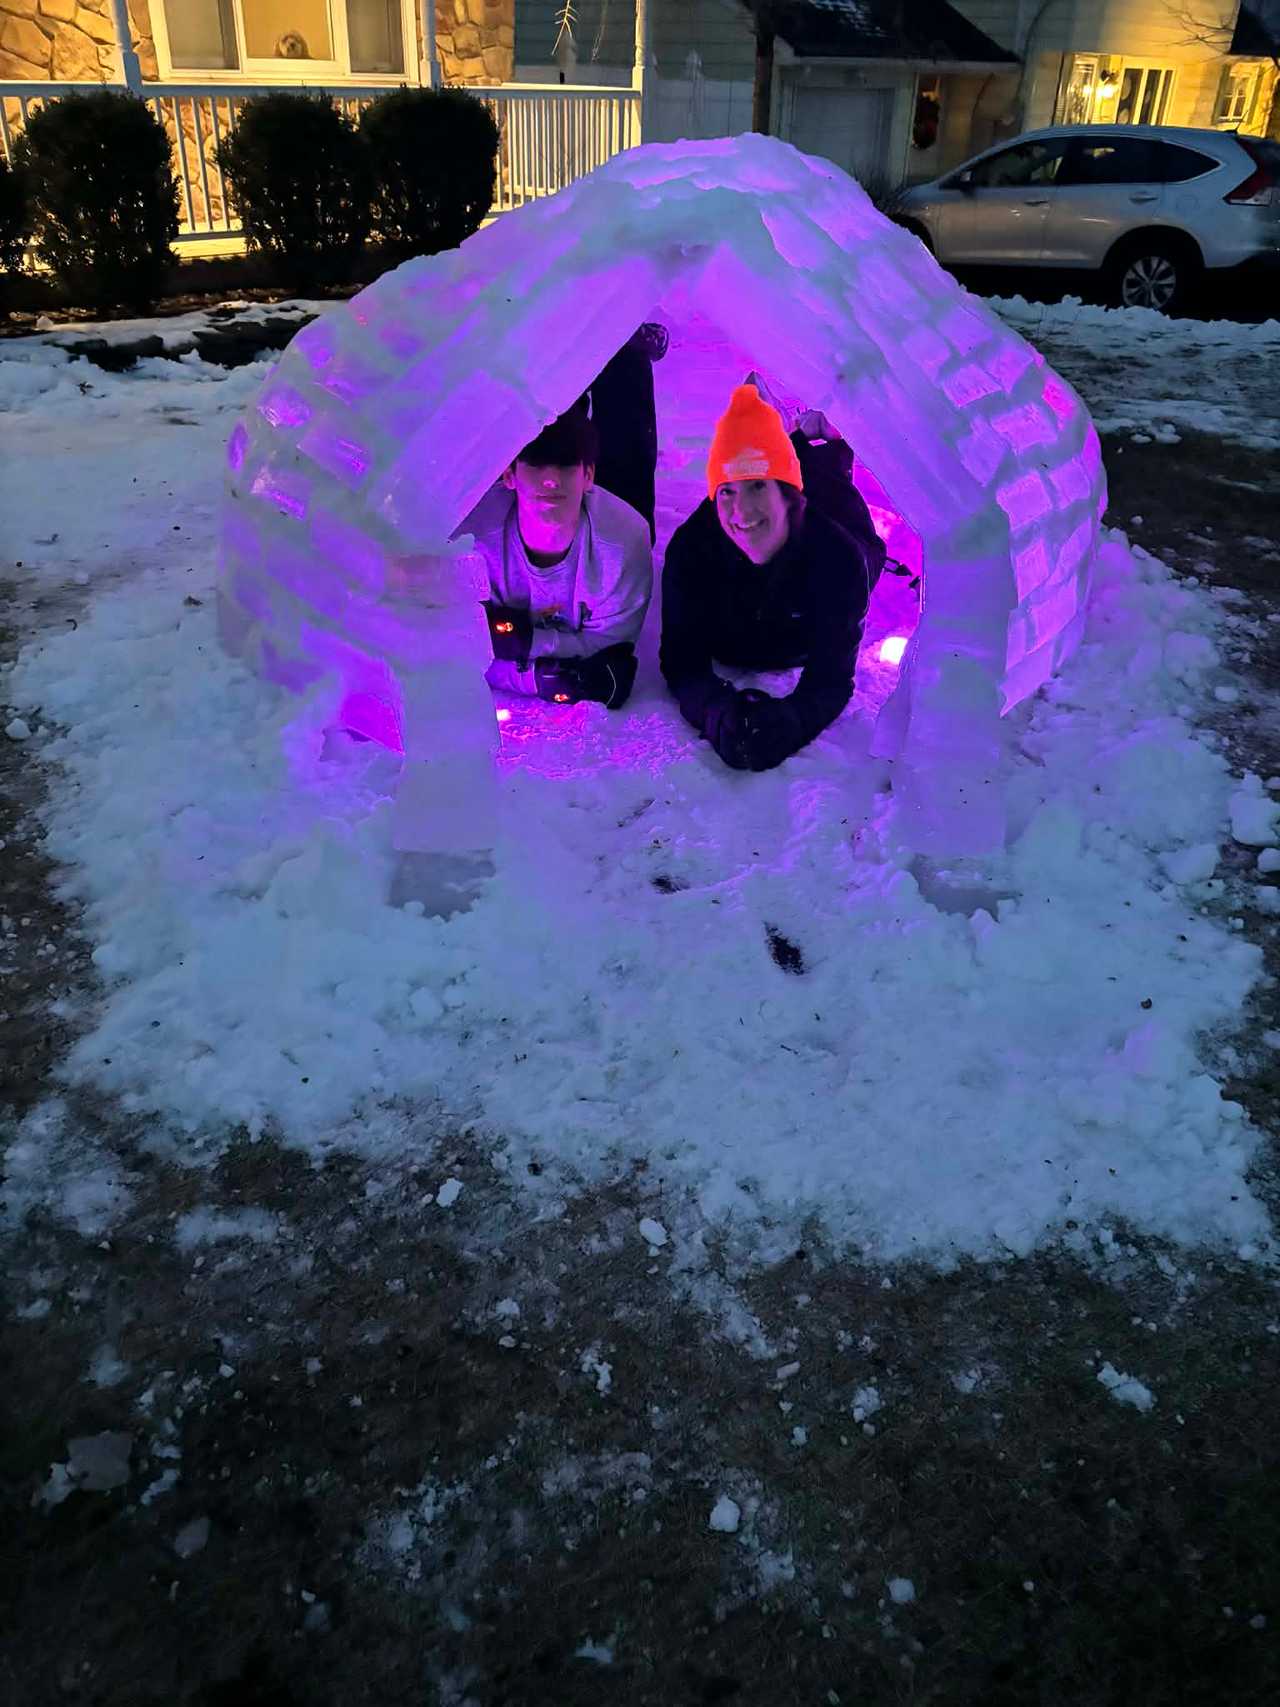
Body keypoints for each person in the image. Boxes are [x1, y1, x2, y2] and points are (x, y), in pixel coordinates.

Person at [659, 382, 884, 772]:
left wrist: (792, 722)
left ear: (786, 494)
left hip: (830, 513)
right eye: (727, 492)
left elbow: (830, 679)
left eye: (758, 486)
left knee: (825, 474)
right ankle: (779, 430)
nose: (742, 513)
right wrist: (716, 711)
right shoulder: (691, 548)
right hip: (748, 627)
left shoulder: (839, 557)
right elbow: (682, 659)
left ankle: (817, 435)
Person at [465, 404, 653, 710]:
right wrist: (537, 678)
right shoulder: (473, 540)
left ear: (588, 475)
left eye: (566, 465)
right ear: (509, 474)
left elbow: (610, 645)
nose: (551, 479)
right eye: (537, 464)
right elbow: (456, 646)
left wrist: (525, 644)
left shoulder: (623, 544)